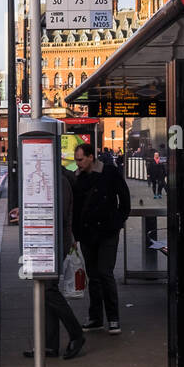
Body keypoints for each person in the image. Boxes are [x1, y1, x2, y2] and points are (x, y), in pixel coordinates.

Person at [21, 169, 86, 361]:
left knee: (48, 289)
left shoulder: (59, 181)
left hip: (55, 243)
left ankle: (76, 334)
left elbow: (59, 216)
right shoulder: (53, 179)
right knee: (45, 290)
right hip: (46, 241)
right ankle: (49, 345)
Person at [72, 142, 130, 334]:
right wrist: (75, 233)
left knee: (105, 273)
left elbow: (125, 199)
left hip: (107, 232)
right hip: (87, 234)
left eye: (80, 159)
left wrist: (117, 222)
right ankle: (95, 318)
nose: (78, 163)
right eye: (76, 160)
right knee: (93, 277)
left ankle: (113, 318)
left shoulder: (110, 173)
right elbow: (75, 208)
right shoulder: (77, 178)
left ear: (90, 157)